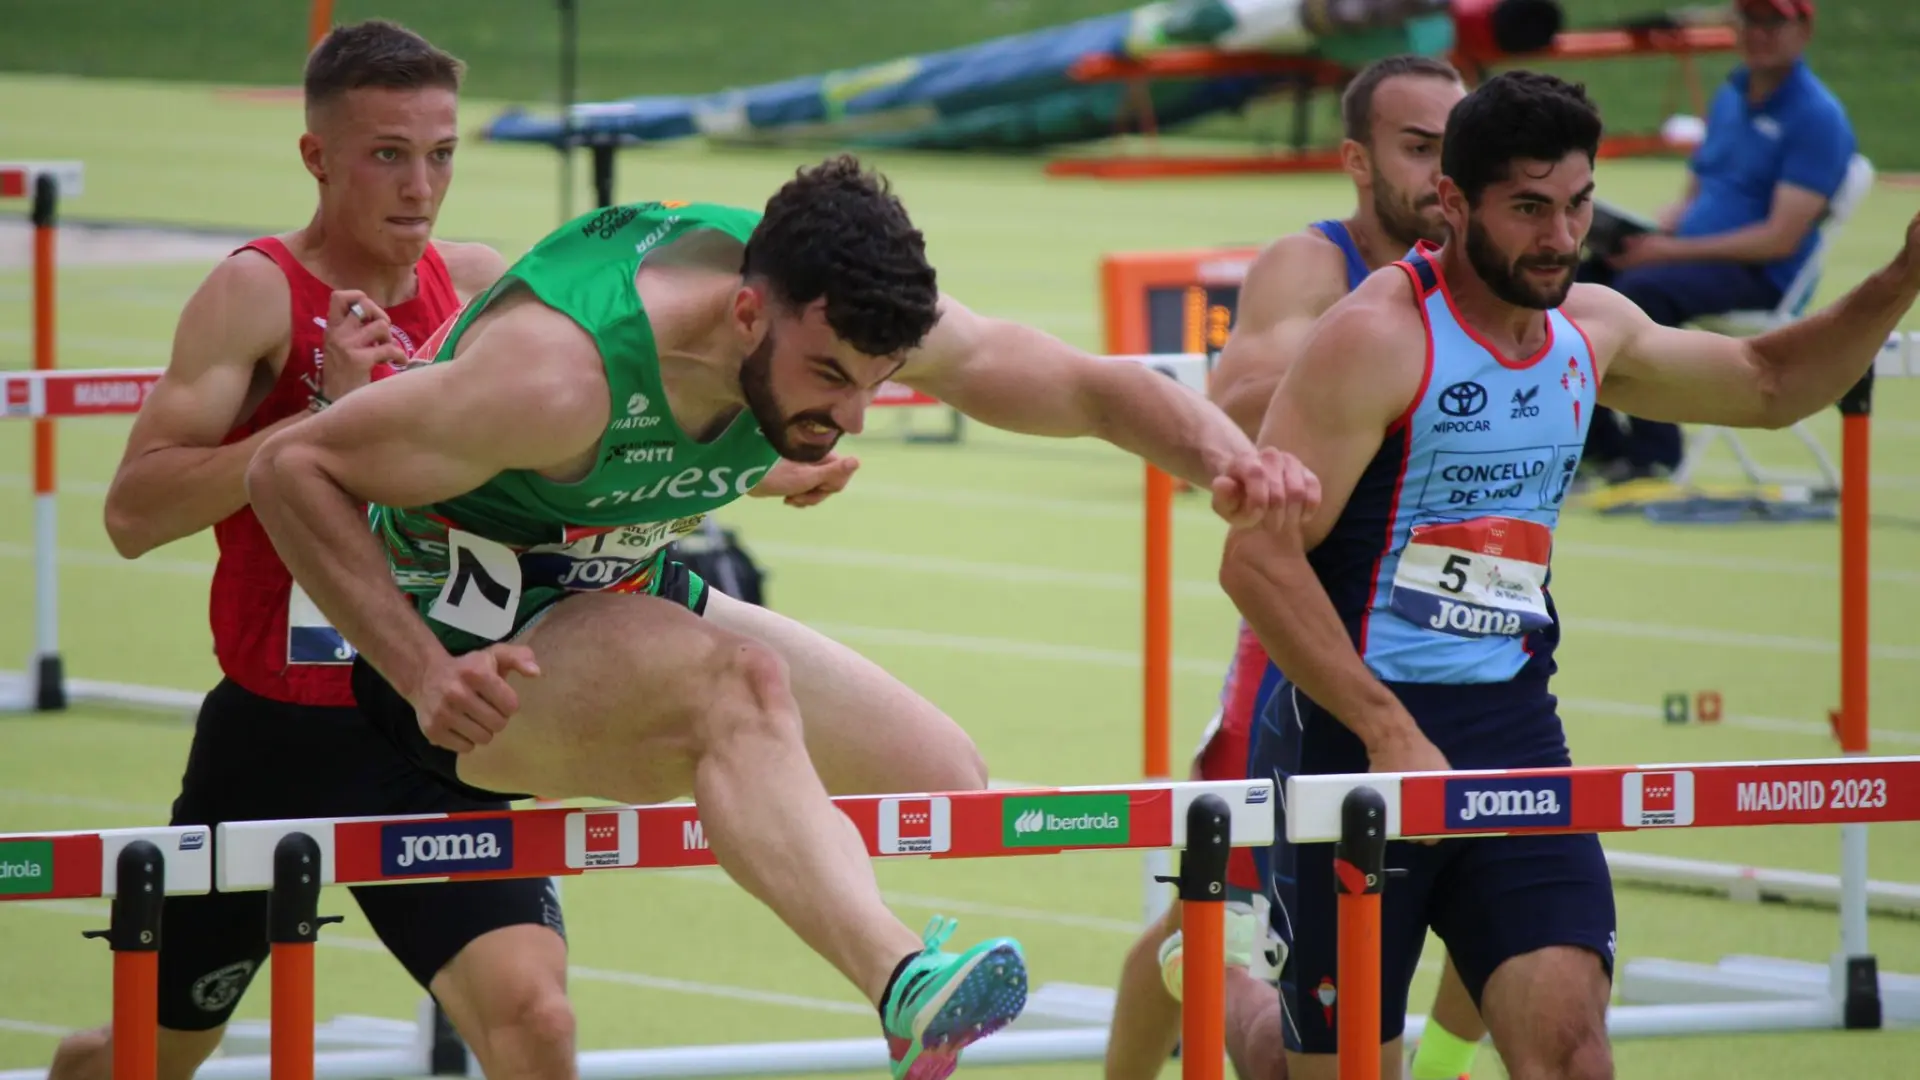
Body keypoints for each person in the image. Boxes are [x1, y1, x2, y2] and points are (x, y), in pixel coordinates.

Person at [241, 155, 1318, 1080]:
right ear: (747, 311)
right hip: (469, 655)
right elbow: (294, 469)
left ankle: (747, 781)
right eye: (831, 380)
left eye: (876, 386)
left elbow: (1082, 386)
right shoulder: (556, 377)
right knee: (736, 686)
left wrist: (1231, 458)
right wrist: (422, 668)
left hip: (615, 597)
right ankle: (902, 980)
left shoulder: (823, 299)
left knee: (941, 777)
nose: (847, 415)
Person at [1220, 69, 1918, 1080]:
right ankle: (1230, 995)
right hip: (1353, 733)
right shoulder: (1377, 339)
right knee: (1328, 1071)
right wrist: (1387, 728)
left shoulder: (1590, 328)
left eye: (1579, 205)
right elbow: (1256, 561)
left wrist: (1902, 273)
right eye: (1530, 209)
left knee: (1572, 1050)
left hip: (1511, 729)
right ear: (1455, 205)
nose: (1560, 236)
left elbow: (1769, 385)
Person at [54, 22, 585, 1080]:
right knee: (147, 1055)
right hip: (275, 741)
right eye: (387, 153)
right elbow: (133, 511)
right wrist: (321, 418)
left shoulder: (477, 288)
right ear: (318, 157)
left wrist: (770, 465)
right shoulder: (254, 294)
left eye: (440, 154)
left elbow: (585, 432)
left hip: (428, 726)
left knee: (536, 1021)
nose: (418, 185)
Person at [1104, 54, 1488, 1080]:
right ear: (1358, 161)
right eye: (1420, 149)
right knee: (1214, 915)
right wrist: (1373, 340)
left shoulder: (1495, 261)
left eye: (1459, 149)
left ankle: (1427, 1065)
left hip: (1460, 646)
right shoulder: (1313, 266)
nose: (1444, 173)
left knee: (1507, 870)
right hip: (1302, 647)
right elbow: (1236, 405)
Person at [1577, 0, 1855, 482]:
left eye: (1774, 22)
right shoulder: (1732, 93)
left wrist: (1667, 251)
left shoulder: (1817, 118)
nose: (1760, 32)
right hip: (1685, 257)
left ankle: (1655, 454)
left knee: (1641, 295)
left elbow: (1778, 239)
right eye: (1750, 20)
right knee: (1573, 286)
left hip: (1756, 274)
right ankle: (1599, 446)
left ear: (1803, 29)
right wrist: (1650, 230)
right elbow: (1699, 189)